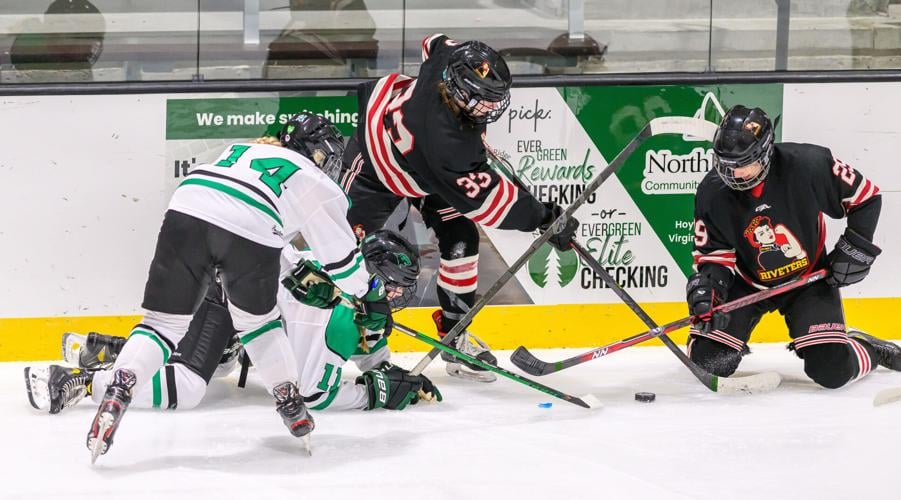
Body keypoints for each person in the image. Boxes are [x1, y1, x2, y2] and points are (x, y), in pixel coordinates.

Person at [83, 112, 386, 461]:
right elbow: (342, 260)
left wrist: (295, 273)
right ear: (318, 153)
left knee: (161, 325)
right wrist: (370, 295)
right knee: (258, 326)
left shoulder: (240, 150)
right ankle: (289, 401)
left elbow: (243, 218)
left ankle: (120, 387)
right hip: (251, 226)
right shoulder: (312, 178)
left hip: (187, 205)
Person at [337, 33, 579, 382]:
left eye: (494, 99)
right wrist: (543, 217)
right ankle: (326, 338)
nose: (491, 109)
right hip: (374, 165)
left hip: (424, 171)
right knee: (352, 256)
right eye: (483, 101)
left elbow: (432, 41)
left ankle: (454, 336)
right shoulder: (449, 147)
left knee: (460, 238)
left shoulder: (448, 61)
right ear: (458, 91)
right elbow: (494, 205)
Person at [25, 230, 440, 415]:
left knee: (221, 360)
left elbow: (365, 345)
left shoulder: (342, 277)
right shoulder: (337, 316)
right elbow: (314, 395)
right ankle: (80, 380)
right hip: (227, 298)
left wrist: (390, 371)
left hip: (236, 296)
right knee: (189, 386)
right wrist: (375, 394)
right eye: (395, 288)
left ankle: (106, 349)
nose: (399, 298)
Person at [687, 104, 900, 389]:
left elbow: (866, 198)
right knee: (708, 362)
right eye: (726, 164)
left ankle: (867, 347)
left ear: (765, 154)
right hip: (748, 282)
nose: (733, 174)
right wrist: (708, 289)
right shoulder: (712, 191)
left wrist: (854, 248)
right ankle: (703, 340)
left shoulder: (808, 164)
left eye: (742, 164)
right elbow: (714, 255)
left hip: (808, 280)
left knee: (832, 370)